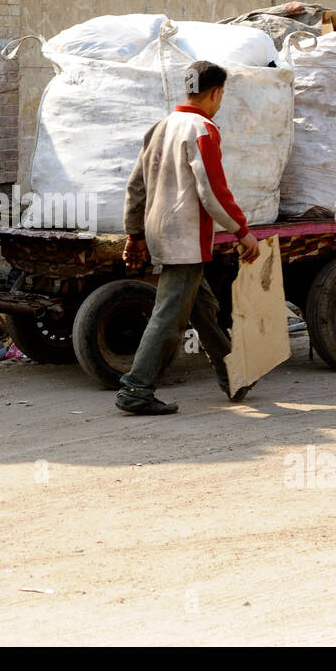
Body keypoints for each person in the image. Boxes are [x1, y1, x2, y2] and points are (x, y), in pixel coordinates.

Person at [117, 60, 261, 415]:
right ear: (215, 93)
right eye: (222, 95)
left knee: (203, 307)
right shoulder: (202, 129)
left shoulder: (162, 126)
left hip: (158, 231)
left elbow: (136, 186)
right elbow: (212, 190)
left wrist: (134, 234)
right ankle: (135, 388)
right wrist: (242, 231)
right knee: (169, 316)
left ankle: (233, 376)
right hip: (184, 238)